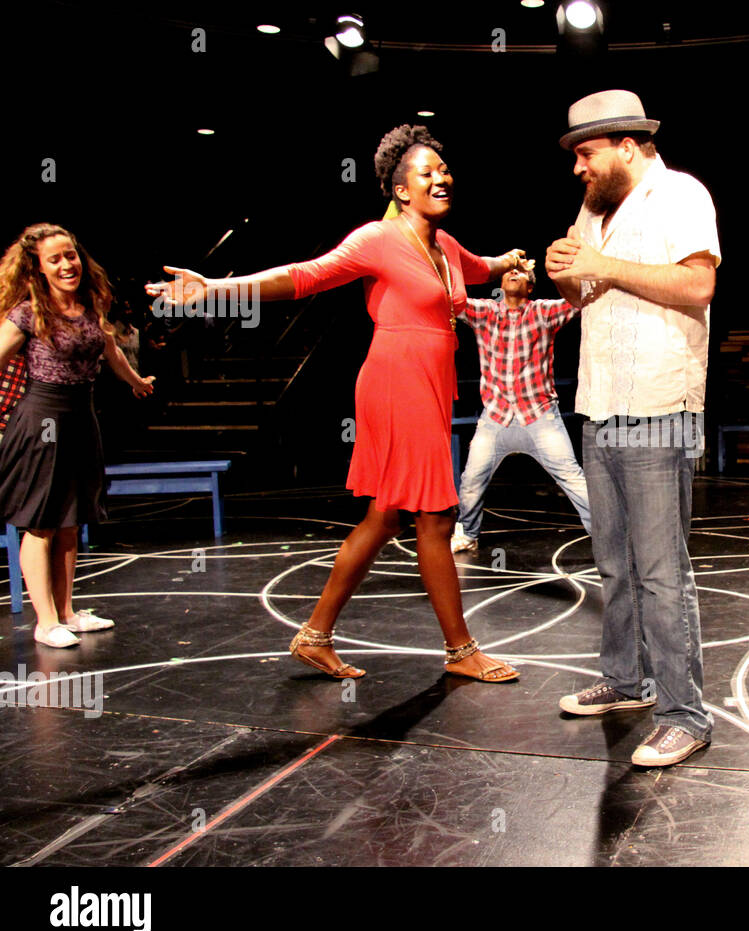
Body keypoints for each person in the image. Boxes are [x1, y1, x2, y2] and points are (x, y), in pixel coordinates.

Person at [146, 125, 526, 682]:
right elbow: (305, 276)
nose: (442, 178)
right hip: (396, 383)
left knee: (383, 517)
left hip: (429, 384)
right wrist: (217, 290)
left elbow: (482, 266)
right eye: (428, 173)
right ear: (400, 190)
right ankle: (461, 650)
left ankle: (315, 634)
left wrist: (509, 258)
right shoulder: (377, 239)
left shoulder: (443, 246)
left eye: (444, 170)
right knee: (436, 518)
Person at [546, 90, 720, 767]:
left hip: (657, 409)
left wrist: (603, 267)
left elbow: (698, 288)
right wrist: (566, 274)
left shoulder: (681, 195)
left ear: (625, 144)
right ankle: (626, 681)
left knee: (660, 573)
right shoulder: (595, 212)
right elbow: (586, 293)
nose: (578, 168)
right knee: (614, 563)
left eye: (585, 153)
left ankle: (685, 714)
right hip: (601, 405)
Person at [0, 223, 156, 648]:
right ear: (38, 268)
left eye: (70, 255)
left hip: (81, 417)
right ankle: (45, 621)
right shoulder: (29, 312)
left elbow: (109, 349)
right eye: (56, 259)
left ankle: (68, 612)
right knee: (42, 523)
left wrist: (135, 381)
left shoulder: (88, 304)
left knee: (70, 521)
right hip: (42, 420)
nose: (67, 264)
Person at [450, 261, 591, 553]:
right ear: (500, 283)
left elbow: (579, 301)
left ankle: (606, 533)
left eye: (521, 273)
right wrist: (495, 263)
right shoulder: (485, 312)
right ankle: (468, 533)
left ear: (530, 286)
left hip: (539, 415)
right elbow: (452, 299)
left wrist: (561, 270)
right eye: (509, 272)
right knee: (472, 479)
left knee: (573, 478)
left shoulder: (543, 311)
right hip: (495, 417)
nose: (514, 273)